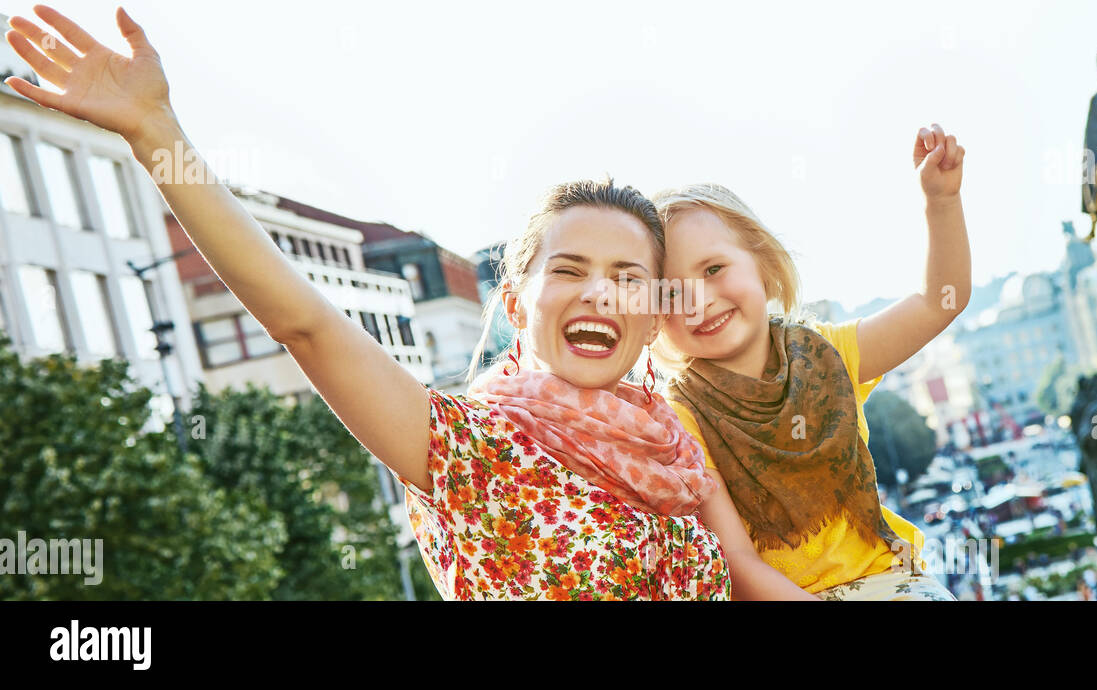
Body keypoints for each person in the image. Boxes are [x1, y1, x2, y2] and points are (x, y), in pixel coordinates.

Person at [2, 5, 809, 600]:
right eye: (569, 268)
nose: (600, 290)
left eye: (628, 277)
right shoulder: (467, 447)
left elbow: (745, 576)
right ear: (519, 301)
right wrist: (155, 134)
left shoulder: (674, 449)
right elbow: (305, 325)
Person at [650, 124, 970, 600]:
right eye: (672, 292)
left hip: (890, 583)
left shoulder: (829, 352)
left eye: (713, 269)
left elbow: (938, 302)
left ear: (761, 261)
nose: (699, 301)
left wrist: (940, 203)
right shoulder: (680, 418)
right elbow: (736, 562)